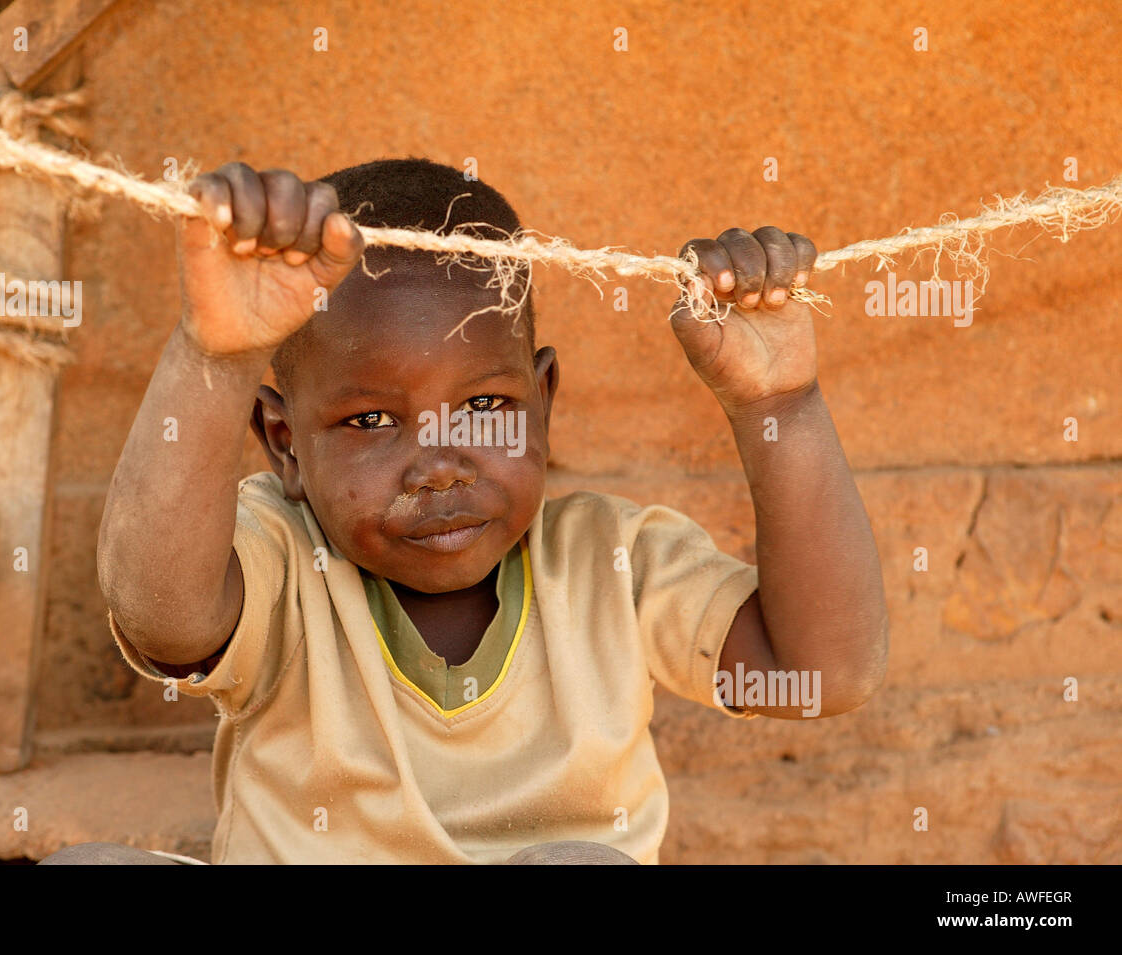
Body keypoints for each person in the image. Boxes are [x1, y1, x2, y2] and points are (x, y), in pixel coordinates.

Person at [46, 157, 887, 865]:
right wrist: (214, 356)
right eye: (371, 421)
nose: (439, 465)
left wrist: (782, 404)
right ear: (285, 443)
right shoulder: (280, 556)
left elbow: (822, 670)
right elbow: (161, 619)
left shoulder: (613, 562)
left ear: (542, 403)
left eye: (484, 405)